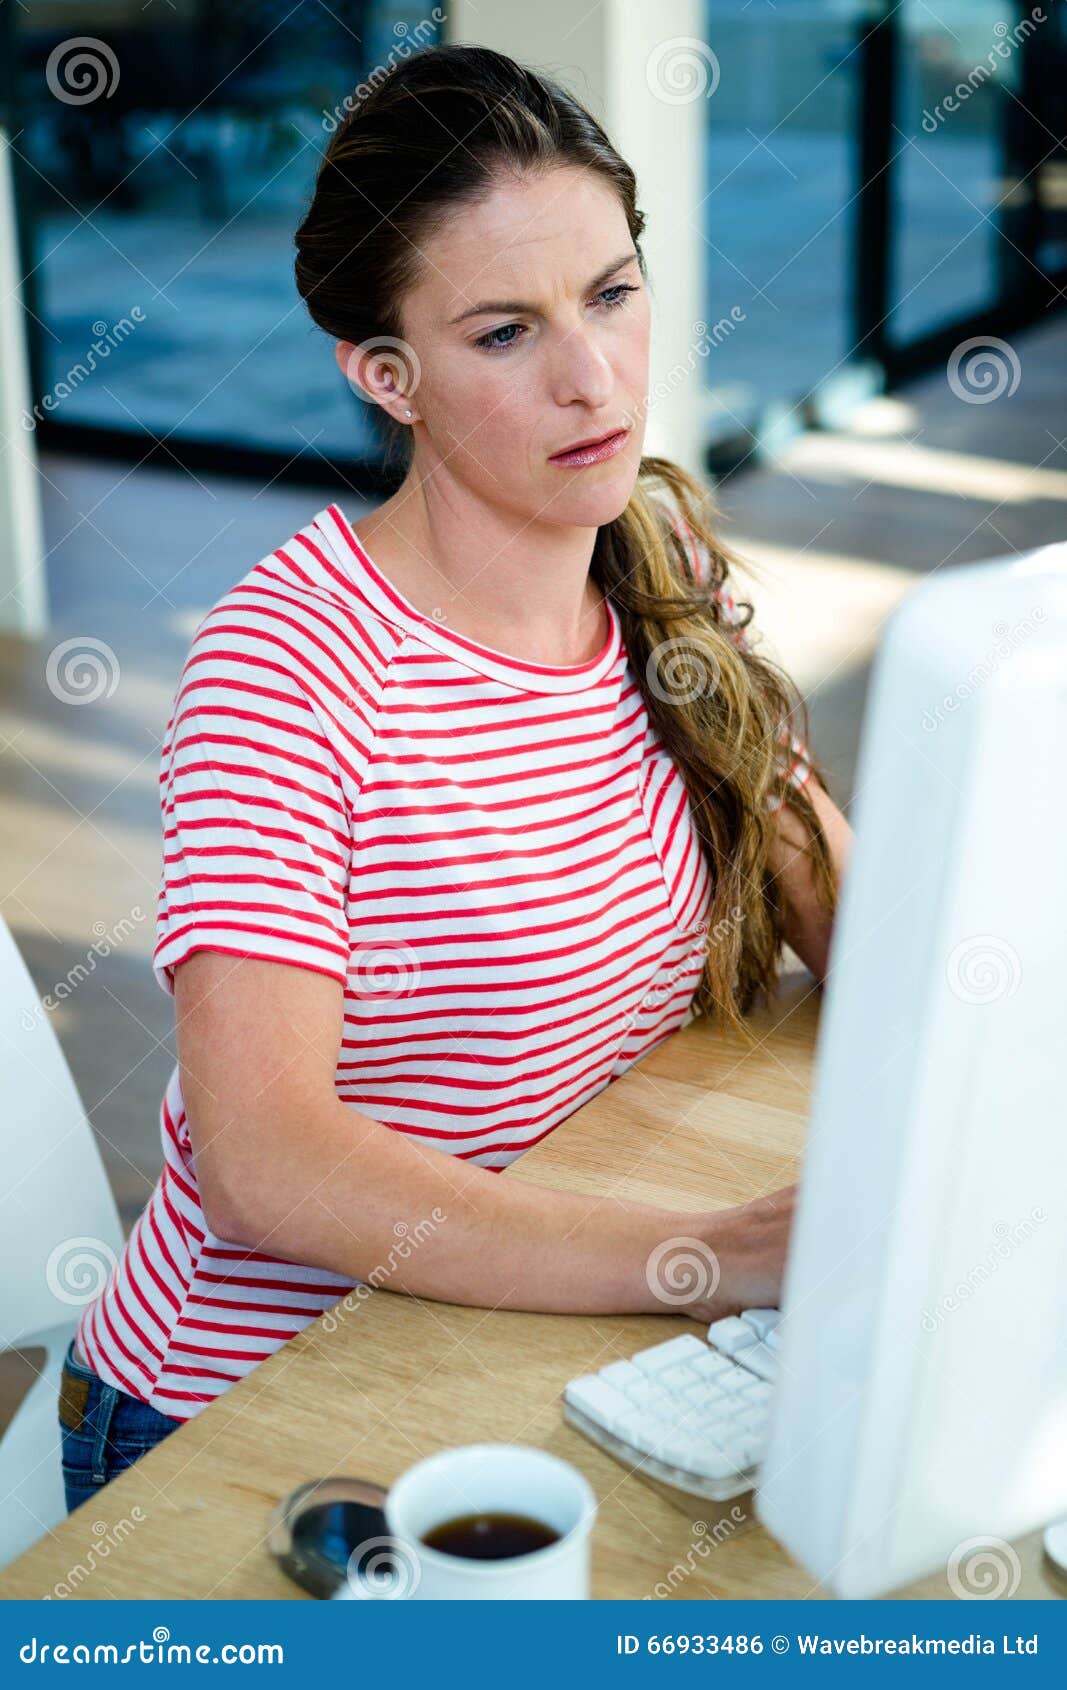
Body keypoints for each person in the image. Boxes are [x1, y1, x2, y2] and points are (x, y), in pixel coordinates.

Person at [59, 42, 852, 1510]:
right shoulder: (287, 665)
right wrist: (714, 1255)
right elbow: (268, 1164)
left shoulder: (657, 562)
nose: (591, 377)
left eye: (613, 294)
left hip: (502, 1324)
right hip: (238, 1415)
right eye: (503, 334)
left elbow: (846, 916)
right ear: (386, 374)